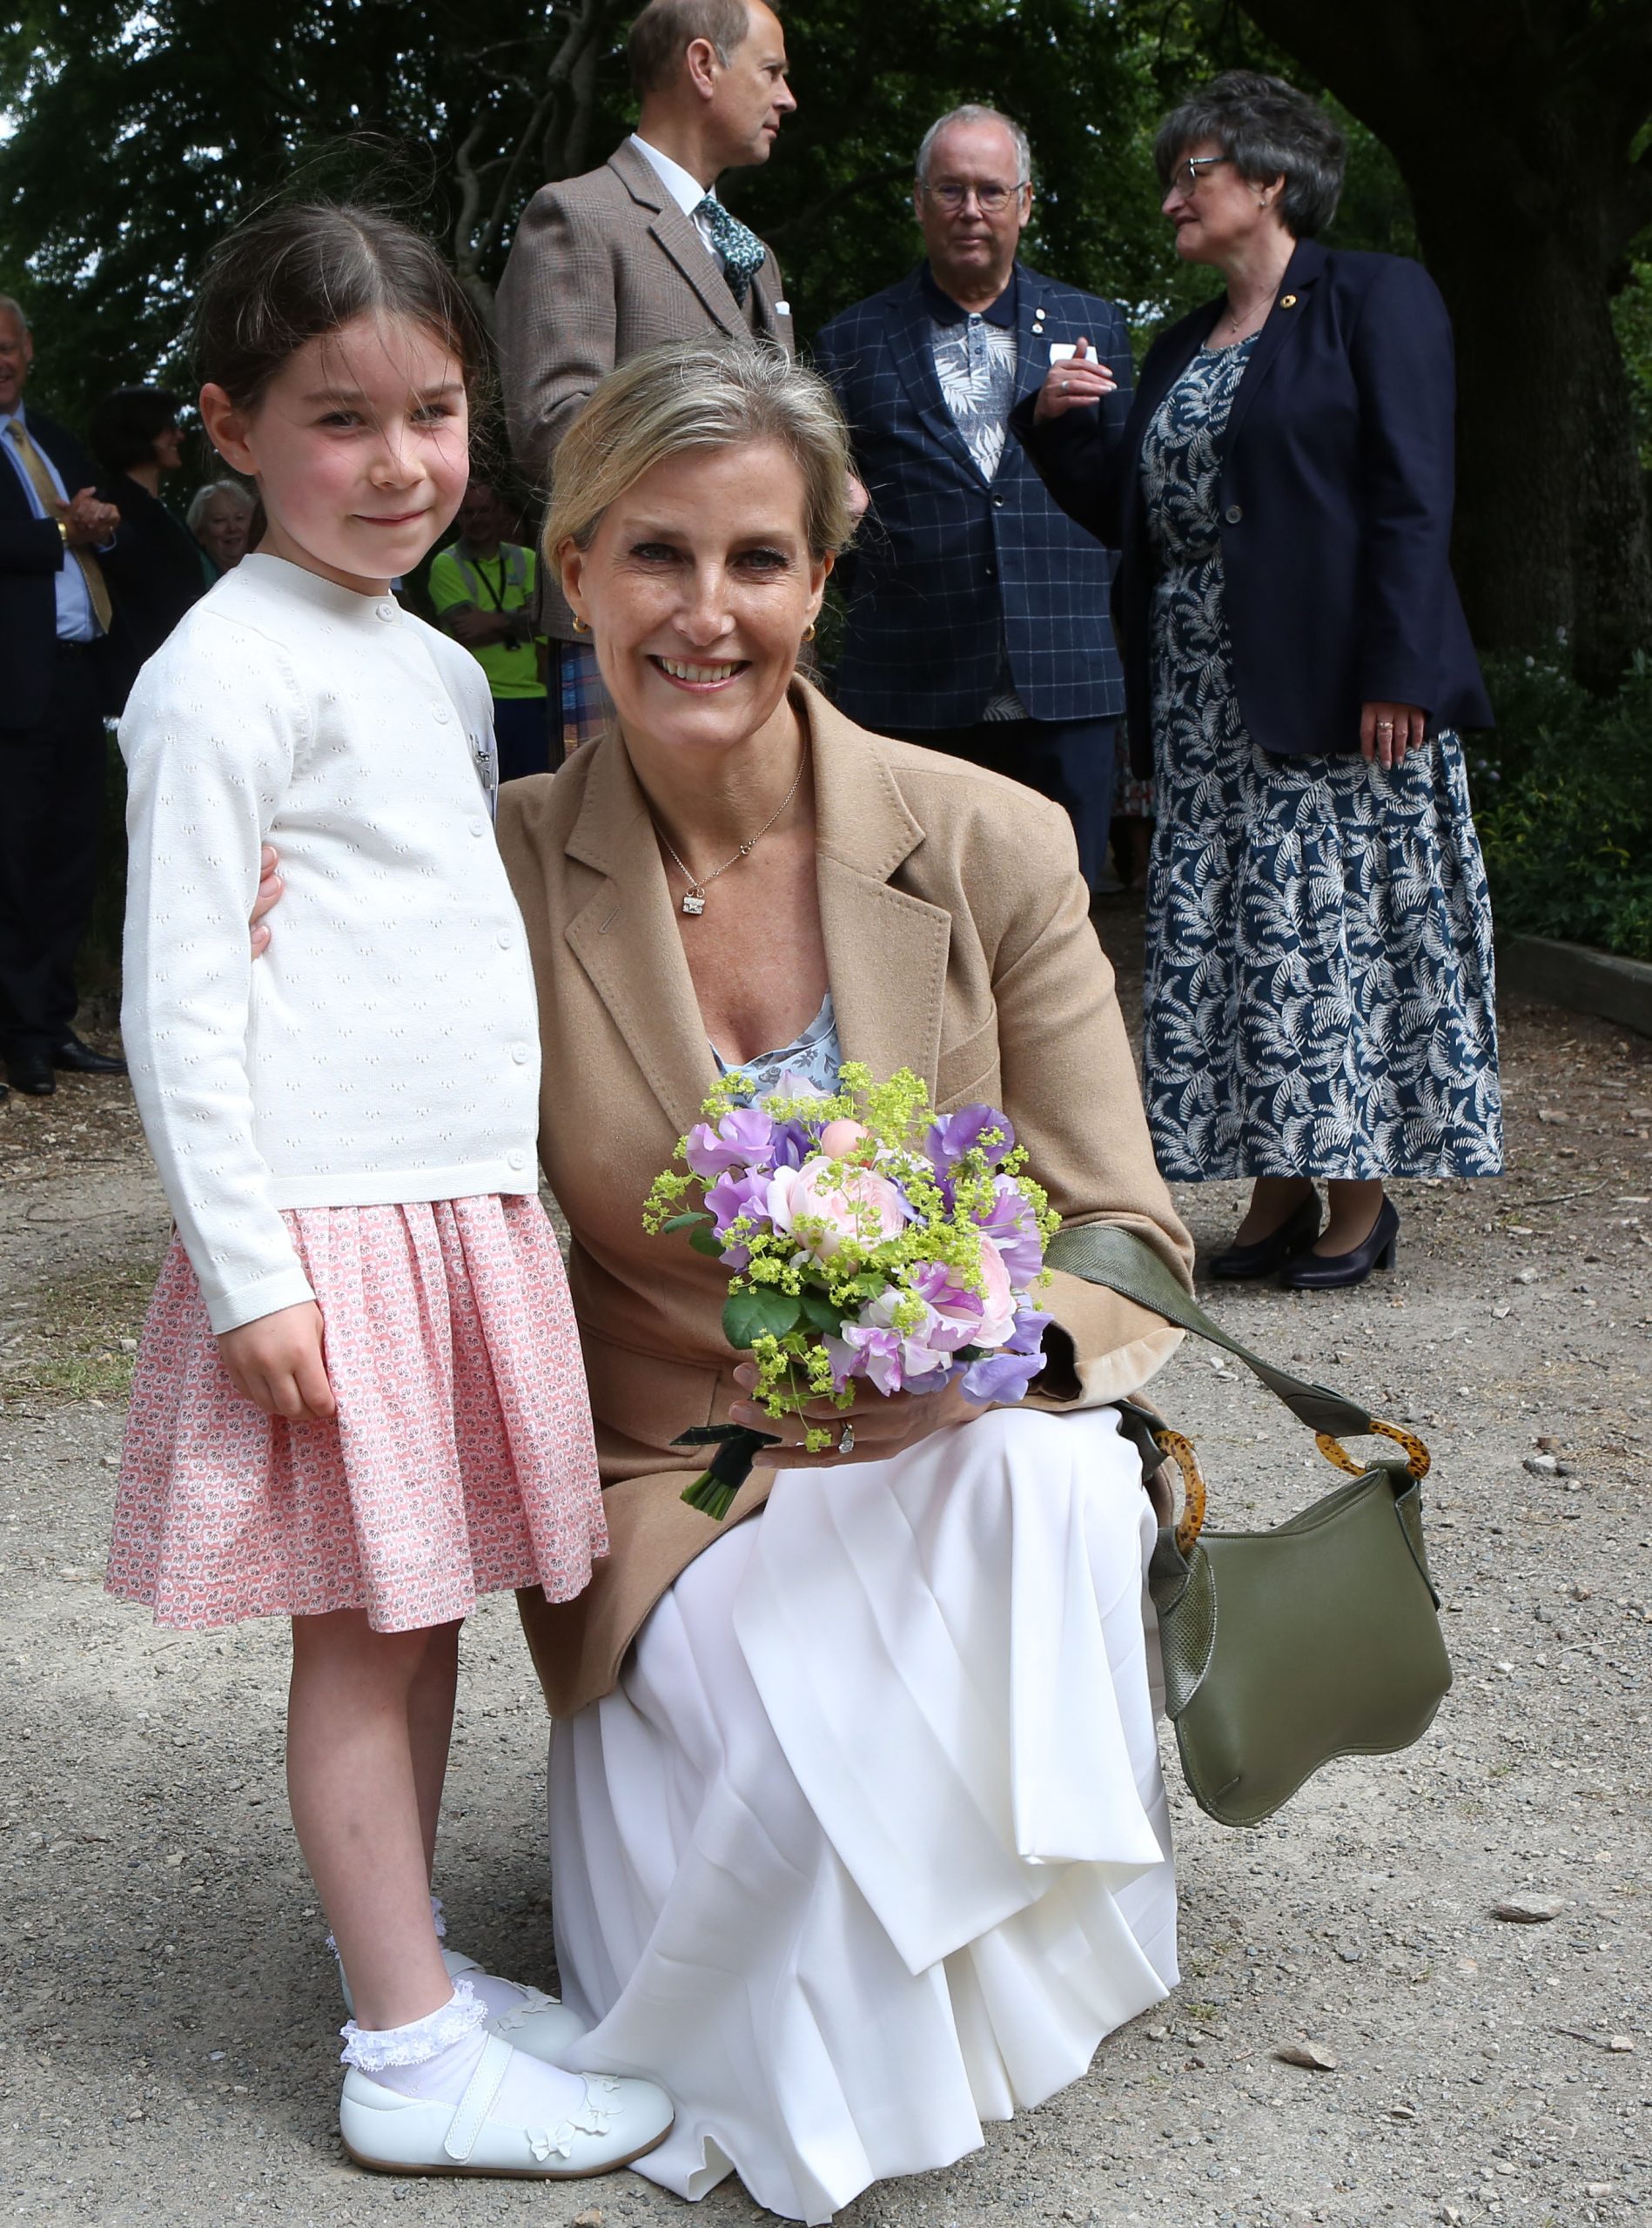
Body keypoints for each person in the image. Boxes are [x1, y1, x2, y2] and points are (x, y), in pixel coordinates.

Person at [494, 339, 1193, 2224]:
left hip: (949, 1453)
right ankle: (908, 2005)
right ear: (574, 571)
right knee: (800, 1819)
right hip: (685, 1480)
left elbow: (1124, 1226)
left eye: (755, 561)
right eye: (655, 555)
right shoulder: (487, 876)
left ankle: (949, 1955)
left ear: (819, 575)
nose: (704, 614)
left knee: (1058, 1475)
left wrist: (990, 1351)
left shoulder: (989, 841)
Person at [107, 201, 671, 2183]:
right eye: (339, 419)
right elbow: (176, 998)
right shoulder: (220, 673)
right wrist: (252, 1269)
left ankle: (400, 1964)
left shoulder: (433, 661)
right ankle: (411, 2053)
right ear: (231, 425)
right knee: (360, 1635)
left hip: (450, 1209)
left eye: (431, 409)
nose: (401, 461)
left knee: (422, 1621)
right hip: (335, 1236)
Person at [1013, 70, 1502, 1287]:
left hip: (1337, 691)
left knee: (1327, 936)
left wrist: (1396, 666)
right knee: (1240, 941)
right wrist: (1062, 431)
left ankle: (1357, 1205)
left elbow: (1411, 491)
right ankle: (1278, 1195)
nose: (1173, 198)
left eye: (1195, 174)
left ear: (1270, 183)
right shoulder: (1179, 343)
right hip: (1200, 702)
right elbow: (1146, 515)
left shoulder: (1371, 299)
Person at [814, 105, 1132, 896]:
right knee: (918, 921)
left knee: (1062, 914)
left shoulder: (1098, 324)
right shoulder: (850, 341)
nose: (971, 210)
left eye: (992, 191)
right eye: (950, 190)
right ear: (919, 202)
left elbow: (1129, 497)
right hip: (910, 682)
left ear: (1025, 203)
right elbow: (832, 512)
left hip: (1067, 678)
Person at [497, 0, 796, 756]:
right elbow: (553, 425)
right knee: (624, 870)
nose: (786, 97)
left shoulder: (755, 255)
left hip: (756, 635)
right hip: (630, 632)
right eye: (771, 71)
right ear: (703, 65)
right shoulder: (578, 216)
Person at [0, 291, 133, 1102]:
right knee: (13, 862)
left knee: (68, 857)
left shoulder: (47, 435)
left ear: (29, 348)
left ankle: (52, 1022)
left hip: (76, 678)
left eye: (8, 346)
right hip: (12, 685)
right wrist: (61, 533)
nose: (2, 360)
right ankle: (21, 1038)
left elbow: (93, 518)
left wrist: (103, 522)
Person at [88, 383, 206, 700]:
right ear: (140, 435)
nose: (179, 436)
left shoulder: (157, 509)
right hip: (160, 683)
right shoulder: (114, 511)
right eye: (169, 428)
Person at [428, 477, 550, 782]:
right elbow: (465, 629)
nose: (477, 520)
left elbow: (541, 622)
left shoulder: (528, 560)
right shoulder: (446, 564)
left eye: (484, 511)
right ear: (457, 517)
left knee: (534, 792)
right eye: (469, 513)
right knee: (486, 792)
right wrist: (520, 622)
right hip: (477, 698)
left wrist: (491, 621)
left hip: (533, 698)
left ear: (499, 513)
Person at [186, 475, 255, 579]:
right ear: (200, 533)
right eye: (219, 520)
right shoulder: (193, 583)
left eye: (239, 518)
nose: (232, 528)